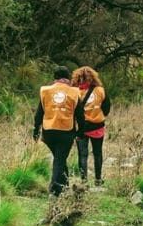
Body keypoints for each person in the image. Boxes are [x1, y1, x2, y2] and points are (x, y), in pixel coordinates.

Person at [34, 66, 84, 196]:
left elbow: (39, 113)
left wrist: (36, 129)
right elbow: (80, 115)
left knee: (59, 158)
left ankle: (64, 186)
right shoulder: (74, 92)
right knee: (59, 159)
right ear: (68, 78)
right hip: (66, 132)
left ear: (54, 78)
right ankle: (54, 189)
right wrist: (81, 131)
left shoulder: (46, 91)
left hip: (48, 131)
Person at [72, 66, 111, 186]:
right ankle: (98, 179)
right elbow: (106, 108)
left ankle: (83, 181)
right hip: (97, 126)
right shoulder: (100, 90)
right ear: (93, 77)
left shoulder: (74, 92)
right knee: (97, 153)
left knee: (82, 154)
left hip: (82, 128)